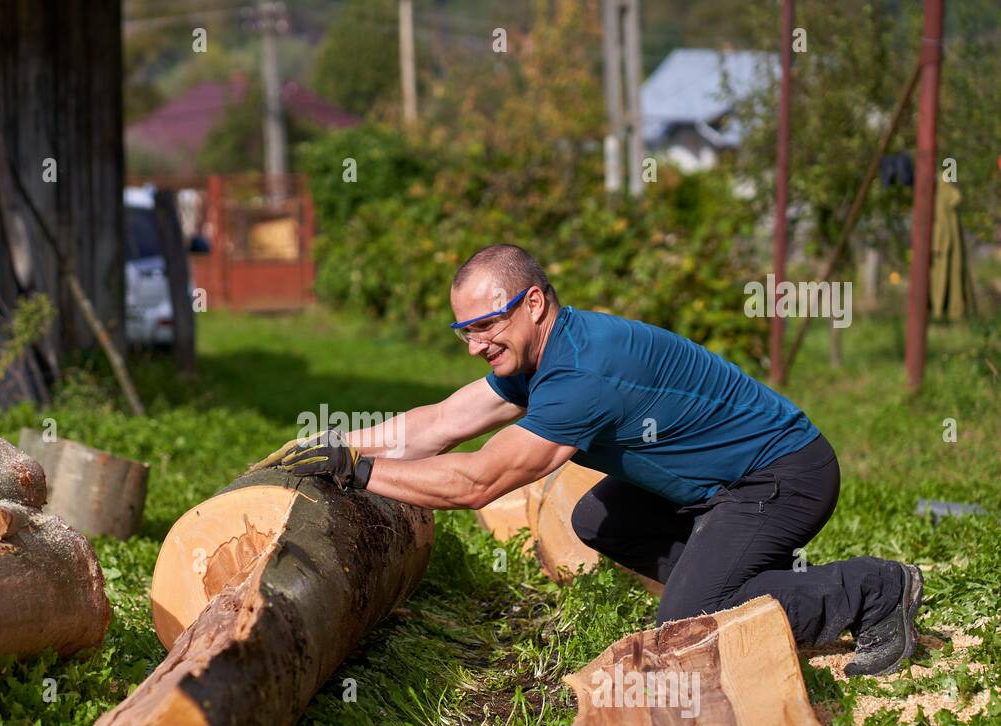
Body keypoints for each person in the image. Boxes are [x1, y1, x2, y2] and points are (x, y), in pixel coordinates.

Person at [255, 244, 922, 677]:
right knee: (602, 516)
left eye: (486, 326)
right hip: (724, 485)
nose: (476, 346)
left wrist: (357, 474)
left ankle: (875, 590)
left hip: (779, 477)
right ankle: (748, 584)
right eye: (466, 332)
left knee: (685, 628)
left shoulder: (582, 373)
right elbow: (443, 423)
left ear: (535, 303)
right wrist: (342, 444)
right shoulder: (543, 350)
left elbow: (479, 481)